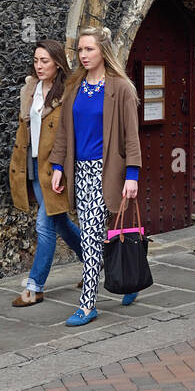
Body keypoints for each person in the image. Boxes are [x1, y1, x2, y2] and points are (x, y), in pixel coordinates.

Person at [50, 26, 142, 326]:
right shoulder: (75, 87)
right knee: (93, 236)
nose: (83, 55)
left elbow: (131, 135)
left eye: (89, 49)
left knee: (94, 237)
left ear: (103, 51)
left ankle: (88, 304)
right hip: (81, 172)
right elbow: (64, 132)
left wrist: (132, 175)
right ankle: (129, 281)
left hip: (110, 172)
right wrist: (59, 167)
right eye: (80, 50)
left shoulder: (121, 88)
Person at [8, 40, 83, 307]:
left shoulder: (69, 92)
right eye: (37, 61)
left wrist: (63, 168)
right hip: (33, 165)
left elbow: (71, 135)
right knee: (59, 221)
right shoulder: (31, 90)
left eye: (45, 61)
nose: (39, 66)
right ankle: (97, 261)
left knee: (44, 225)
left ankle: (35, 286)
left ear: (58, 63)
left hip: (55, 169)